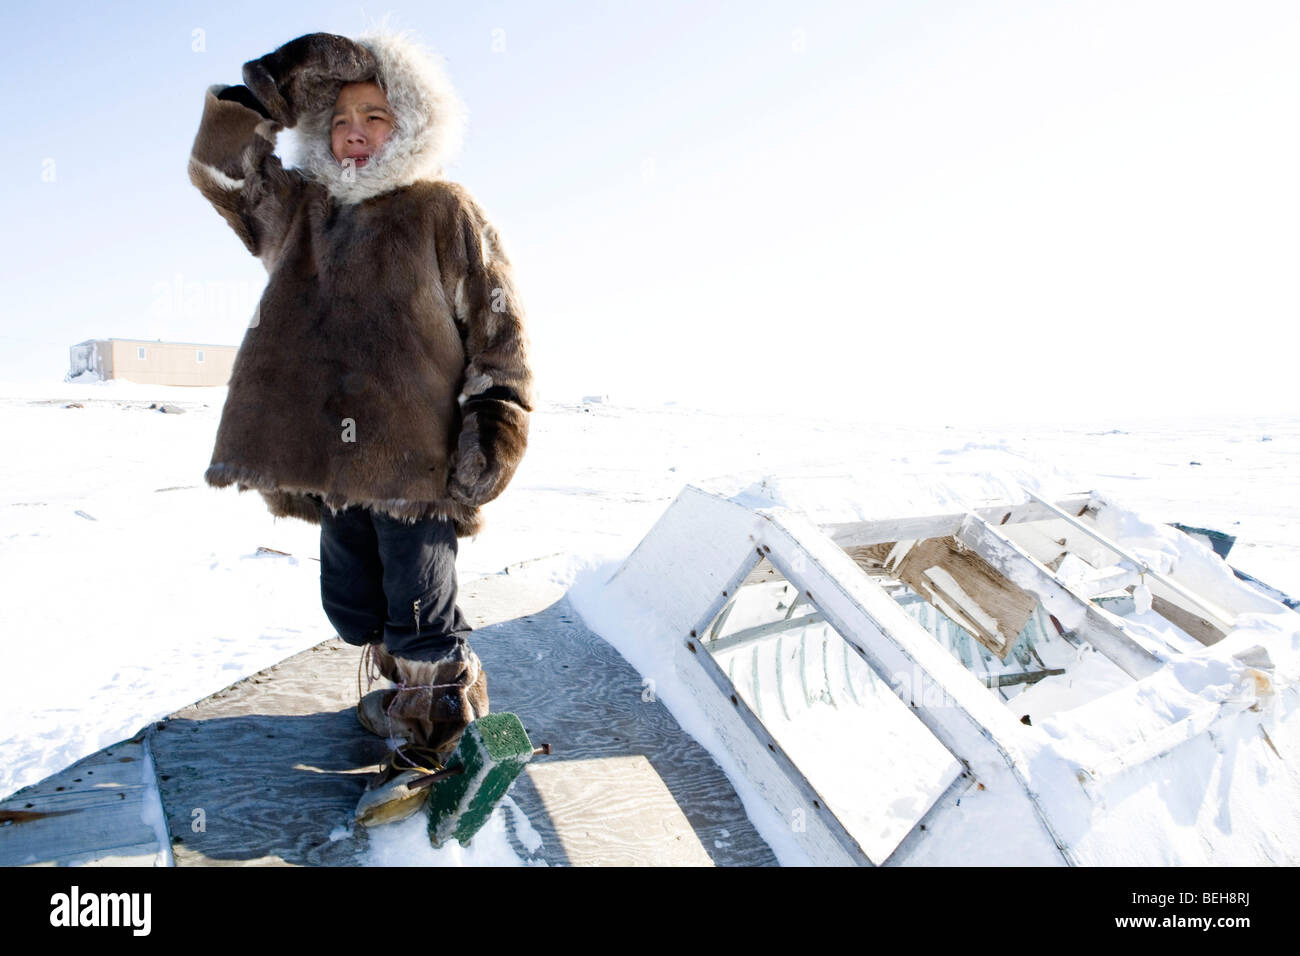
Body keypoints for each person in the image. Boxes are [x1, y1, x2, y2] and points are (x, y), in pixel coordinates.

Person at [187, 30, 533, 820]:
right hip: (333, 463)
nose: (355, 131)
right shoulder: (301, 212)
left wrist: (495, 421)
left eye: (375, 115)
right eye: (340, 117)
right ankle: (407, 691)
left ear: (411, 123)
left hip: (420, 465)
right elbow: (221, 172)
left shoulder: (443, 209)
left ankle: (436, 734)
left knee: (418, 613)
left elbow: (498, 326)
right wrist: (269, 90)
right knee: (354, 609)